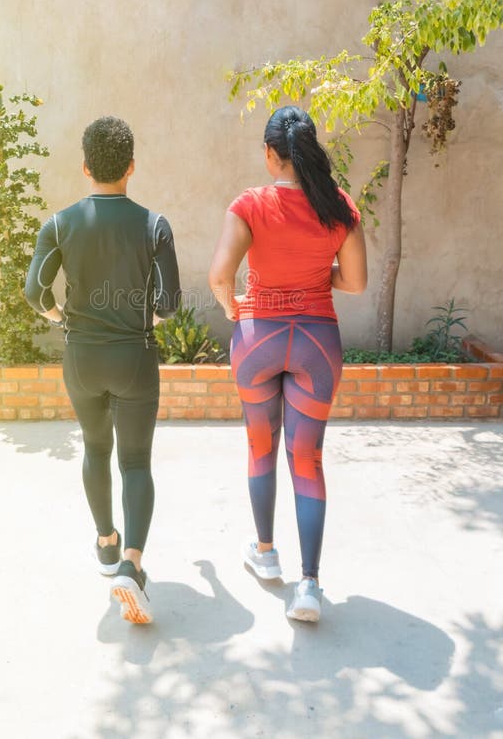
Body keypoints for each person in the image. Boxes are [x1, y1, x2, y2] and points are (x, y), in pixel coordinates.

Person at [208, 106, 367, 623]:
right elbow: (357, 281)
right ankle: (310, 586)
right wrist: (319, 278)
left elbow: (219, 276)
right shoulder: (338, 205)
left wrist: (238, 310)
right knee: (308, 460)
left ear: (271, 154)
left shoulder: (250, 204)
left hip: (259, 340)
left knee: (260, 447)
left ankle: (266, 552)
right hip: (317, 344)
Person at [25, 116, 180, 624]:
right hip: (134, 356)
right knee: (135, 462)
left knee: (96, 447)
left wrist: (60, 317)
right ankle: (132, 567)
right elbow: (169, 301)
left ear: (85, 166)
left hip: (82, 358)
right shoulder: (154, 225)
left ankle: (107, 545)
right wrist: (141, 321)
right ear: (131, 167)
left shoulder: (59, 223)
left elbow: (35, 292)